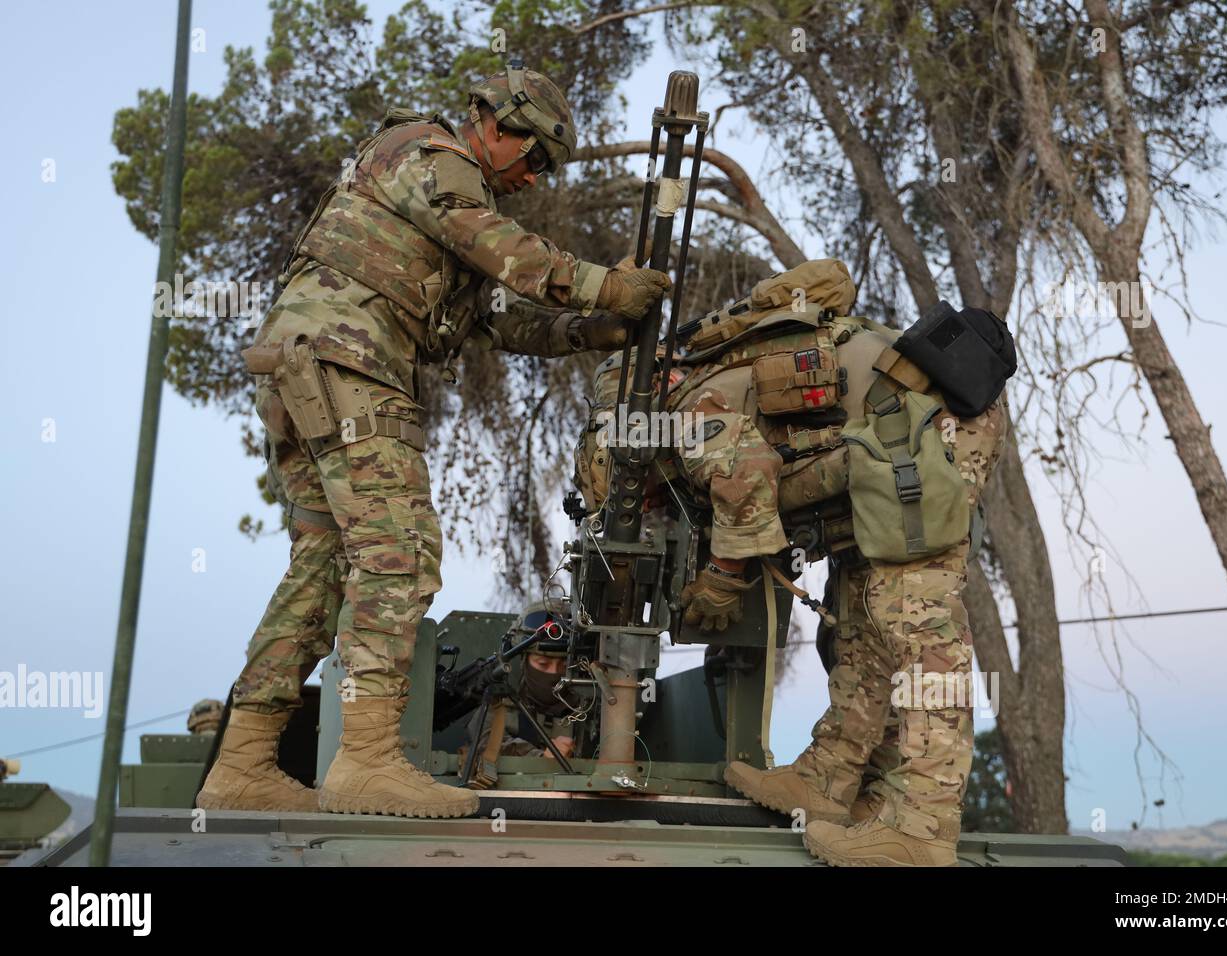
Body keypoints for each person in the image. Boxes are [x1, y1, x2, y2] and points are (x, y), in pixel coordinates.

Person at [197, 62, 670, 819]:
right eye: (536, 156)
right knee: (400, 550)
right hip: (347, 363)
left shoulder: (442, 198)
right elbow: (490, 242)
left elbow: (501, 320)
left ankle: (243, 762)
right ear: (498, 123)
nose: (535, 178)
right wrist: (601, 285)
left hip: (310, 369)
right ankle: (368, 762)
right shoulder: (432, 156)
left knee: (321, 571)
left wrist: (589, 326)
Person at [578, 260, 1009, 865]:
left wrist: (723, 579)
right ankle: (831, 784)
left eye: (639, 492)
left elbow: (746, 474)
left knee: (919, 633)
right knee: (860, 629)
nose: (649, 504)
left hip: (933, 436)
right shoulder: (721, 376)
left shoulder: (686, 408)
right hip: (889, 454)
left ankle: (921, 830)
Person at [461, 604, 589, 789]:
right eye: (543, 664)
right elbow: (484, 741)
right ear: (524, 660)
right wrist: (539, 758)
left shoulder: (591, 703)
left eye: (563, 665)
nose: (553, 672)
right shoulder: (502, 699)